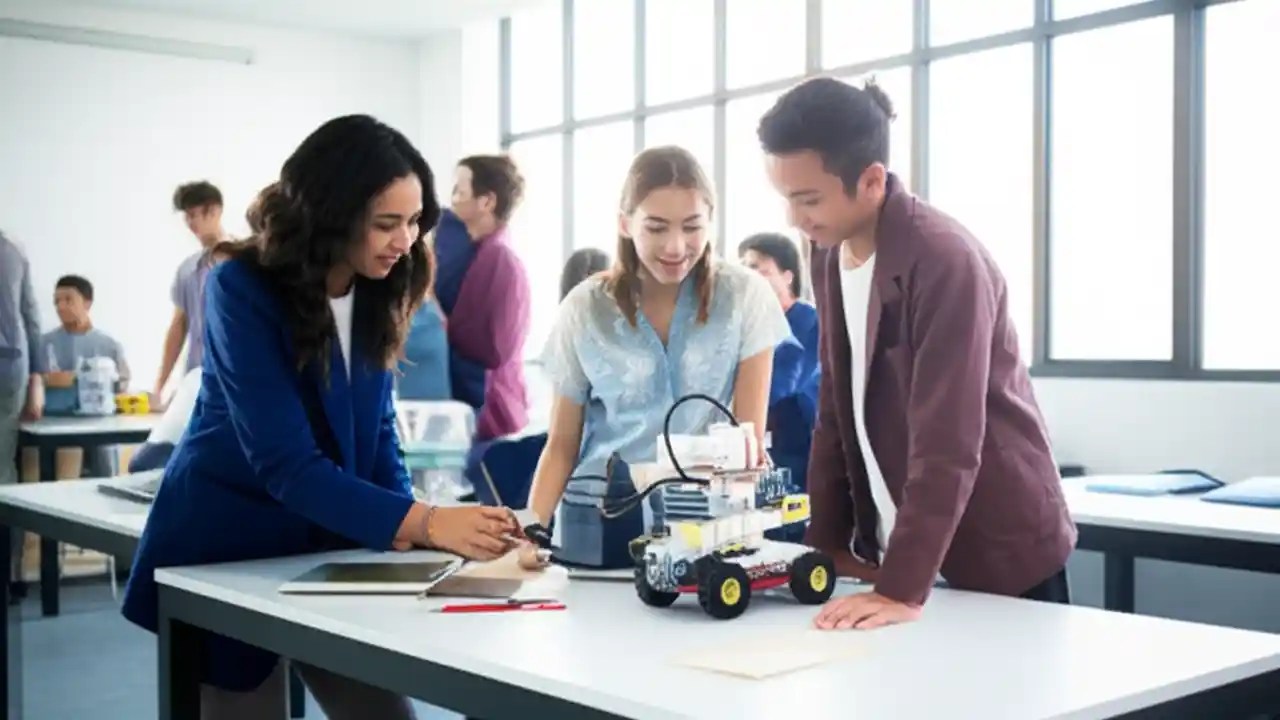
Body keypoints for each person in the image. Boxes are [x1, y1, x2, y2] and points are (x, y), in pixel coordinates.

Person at [122, 115, 525, 718]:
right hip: (229, 544)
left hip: (331, 542)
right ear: (331, 213)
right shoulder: (240, 287)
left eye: (415, 222)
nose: (406, 241)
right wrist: (429, 522)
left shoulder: (382, 284)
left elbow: (379, 430)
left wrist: (423, 540)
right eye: (387, 224)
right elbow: (285, 464)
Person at [758, 76, 1076, 630]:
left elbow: (947, 440)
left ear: (872, 180)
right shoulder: (829, 252)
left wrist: (902, 590)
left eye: (808, 199)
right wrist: (826, 546)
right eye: (786, 199)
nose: (794, 219)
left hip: (995, 556)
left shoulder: (944, 261)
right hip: (899, 562)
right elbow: (835, 409)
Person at [523, 145, 790, 548]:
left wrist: (748, 532)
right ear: (626, 224)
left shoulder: (745, 296)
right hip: (599, 521)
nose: (676, 247)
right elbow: (561, 444)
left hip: (703, 524)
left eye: (692, 226)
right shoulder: (585, 307)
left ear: (711, 222)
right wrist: (531, 532)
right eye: (657, 227)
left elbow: (747, 437)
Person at [434, 156, 531, 442]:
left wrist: (436, 317)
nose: (453, 201)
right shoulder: (479, 254)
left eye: (460, 192)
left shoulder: (498, 258)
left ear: (486, 202)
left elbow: (491, 347)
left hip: (490, 411)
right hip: (486, 404)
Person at [41, 274, 130, 476]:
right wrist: (50, 379)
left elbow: (122, 383)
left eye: (68, 300)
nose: (60, 307)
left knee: (105, 464)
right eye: (57, 301)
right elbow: (33, 380)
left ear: (87, 302)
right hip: (54, 423)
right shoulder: (44, 343)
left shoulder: (109, 345)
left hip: (99, 423)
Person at [154, 180, 230, 402]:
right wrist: (160, 386)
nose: (190, 222)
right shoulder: (187, 269)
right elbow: (178, 326)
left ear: (215, 210)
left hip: (234, 376)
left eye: (194, 214)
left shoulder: (243, 260)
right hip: (196, 377)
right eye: (187, 216)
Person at [0, 230, 45, 594]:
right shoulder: (14, 246)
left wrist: (37, 382)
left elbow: (31, 318)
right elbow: (32, 318)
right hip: (12, 369)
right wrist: (36, 380)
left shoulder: (13, 248)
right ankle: (10, 576)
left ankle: (9, 573)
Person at [737, 233, 819, 409]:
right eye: (744, 269)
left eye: (756, 268)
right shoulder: (745, 325)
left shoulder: (814, 324)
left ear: (788, 276)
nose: (748, 278)